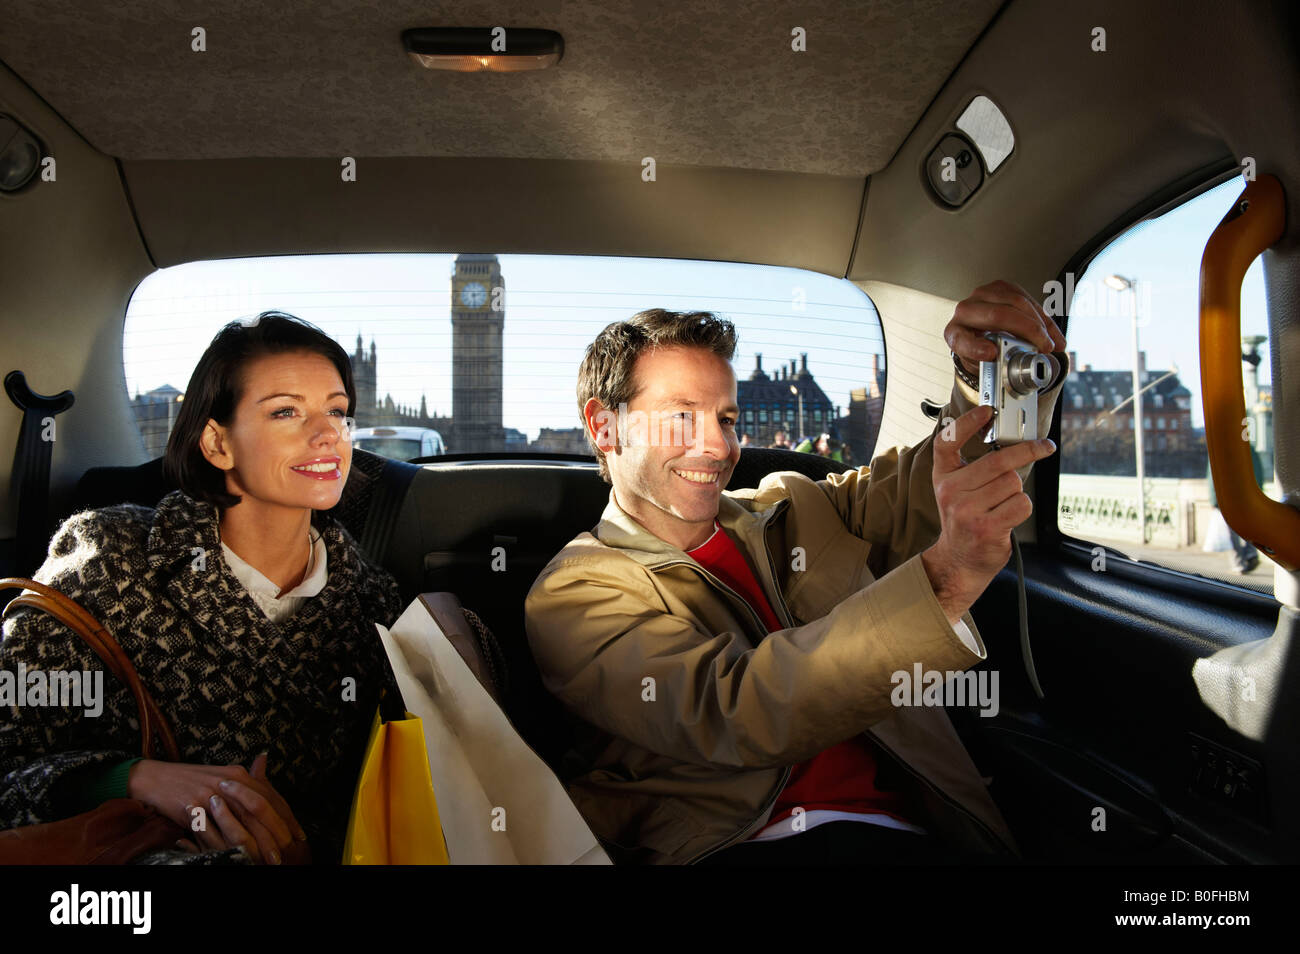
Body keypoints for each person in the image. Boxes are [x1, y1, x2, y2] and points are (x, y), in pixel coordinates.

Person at [525, 281, 1068, 864]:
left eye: (726, 418)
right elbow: (733, 712)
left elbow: (927, 489)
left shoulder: (793, 503)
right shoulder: (575, 591)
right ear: (605, 428)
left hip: (920, 829)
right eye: (681, 417)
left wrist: (984, 378)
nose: (717, 445)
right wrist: (943, 583)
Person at [0, 312, 405, 865]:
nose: (327, 434)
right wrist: (135, 779)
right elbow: (11, 766)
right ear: (217, 444)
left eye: (337, 411)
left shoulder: (379, 607)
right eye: (286, 411)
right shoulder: (107, 561)